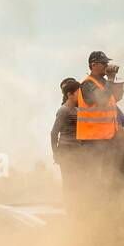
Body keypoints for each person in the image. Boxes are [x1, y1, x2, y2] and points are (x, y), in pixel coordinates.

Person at [75, 50, 119, 197]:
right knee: (94, 179)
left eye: (107, 63)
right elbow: (102, 100)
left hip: (105, 139)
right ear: (93, 65)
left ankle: (101, 213)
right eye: (104, 63)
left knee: (105, 179)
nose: (107, 65)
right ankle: (89, 212)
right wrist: (112, 79)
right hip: (92, 141)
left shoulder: (104, 84)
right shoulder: (87, 84)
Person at [51, 78, 82, 210]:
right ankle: (69, 207)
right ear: (69, 94)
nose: (80, 95)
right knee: (69, 181)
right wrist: (56, 153)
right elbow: (53, 133)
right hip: (66, 151)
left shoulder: (77, 110)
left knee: (76, 181)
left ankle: (74, 206)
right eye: (77, 93)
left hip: (77, 151)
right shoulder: (63, 111)